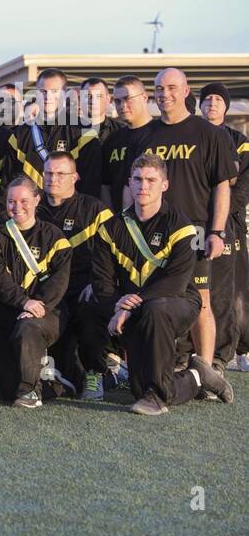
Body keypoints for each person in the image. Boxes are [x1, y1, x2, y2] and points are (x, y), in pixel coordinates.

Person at [90, 153, 233, 415]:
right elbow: (102, 281)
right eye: (138, 179)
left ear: (164, 185)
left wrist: (127, 306)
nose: (143, 186)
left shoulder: (181, 225)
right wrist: (115, 304)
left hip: (178, 301)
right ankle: (198, 377)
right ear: (129, 183)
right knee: (138, 387)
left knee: (157, 308)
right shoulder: (109, 228)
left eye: (151, 180)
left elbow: (175, 282)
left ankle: (156, 397)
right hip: (132, 305)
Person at [123, 68, 237, 370]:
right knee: (147, 299)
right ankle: (156, 364)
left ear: (186, 92)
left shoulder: (210, 134)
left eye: (172, 87)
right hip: (148, 234)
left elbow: (221, 187)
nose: (165, 94)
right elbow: (129, 186)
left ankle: (207, 371)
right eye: (159, 88)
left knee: (201, 303)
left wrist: (217, 231)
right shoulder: (144, 134)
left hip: (194, 232)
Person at [0, 177, 73, 407]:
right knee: (7, 389)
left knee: (28, 326)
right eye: (11, 201)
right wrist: (24, 303)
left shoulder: (55, 237)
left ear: (37, 200)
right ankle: (51, 381)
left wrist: (37, 305)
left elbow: (59, 282)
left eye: (24, 201)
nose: (17, 207)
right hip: (10, 311)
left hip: (46, 312)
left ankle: (31, 393)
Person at [37, 151, 117, 399]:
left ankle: (97, 374)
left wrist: (99, 283)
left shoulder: (95, 210)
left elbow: (117, 251)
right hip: (49, 293)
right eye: (49, 173)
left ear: (75, 177)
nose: (54, 179)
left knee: (92, 310)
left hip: (83, 290)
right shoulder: (33, 210)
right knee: (64, 370)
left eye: (61, 174)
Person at [198, 82, 249, 371]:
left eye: (218, 99)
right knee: (201, 288)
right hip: (198, 221)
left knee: (234, 289)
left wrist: (224, 209)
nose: (212, 103)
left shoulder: (238, 140)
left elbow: (241, 184)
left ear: (226, 106)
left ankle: (235, 348)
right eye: (207, 99)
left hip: (229, 224)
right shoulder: (194, 135)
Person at [5, 68, 101, 191]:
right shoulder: (19, 135)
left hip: (70, 209)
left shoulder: (85, 133)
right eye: (43, 91)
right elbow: (9, 182)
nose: (48, 97)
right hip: (32, 208)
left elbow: (91, 185)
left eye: (54, 91)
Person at [99, 76, 154, 210]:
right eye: (117, 101)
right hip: (120, 222)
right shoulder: (112, 140)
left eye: (128, 99)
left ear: (144, 98)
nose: (123, 106)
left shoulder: (162, 134)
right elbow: (105, 185)